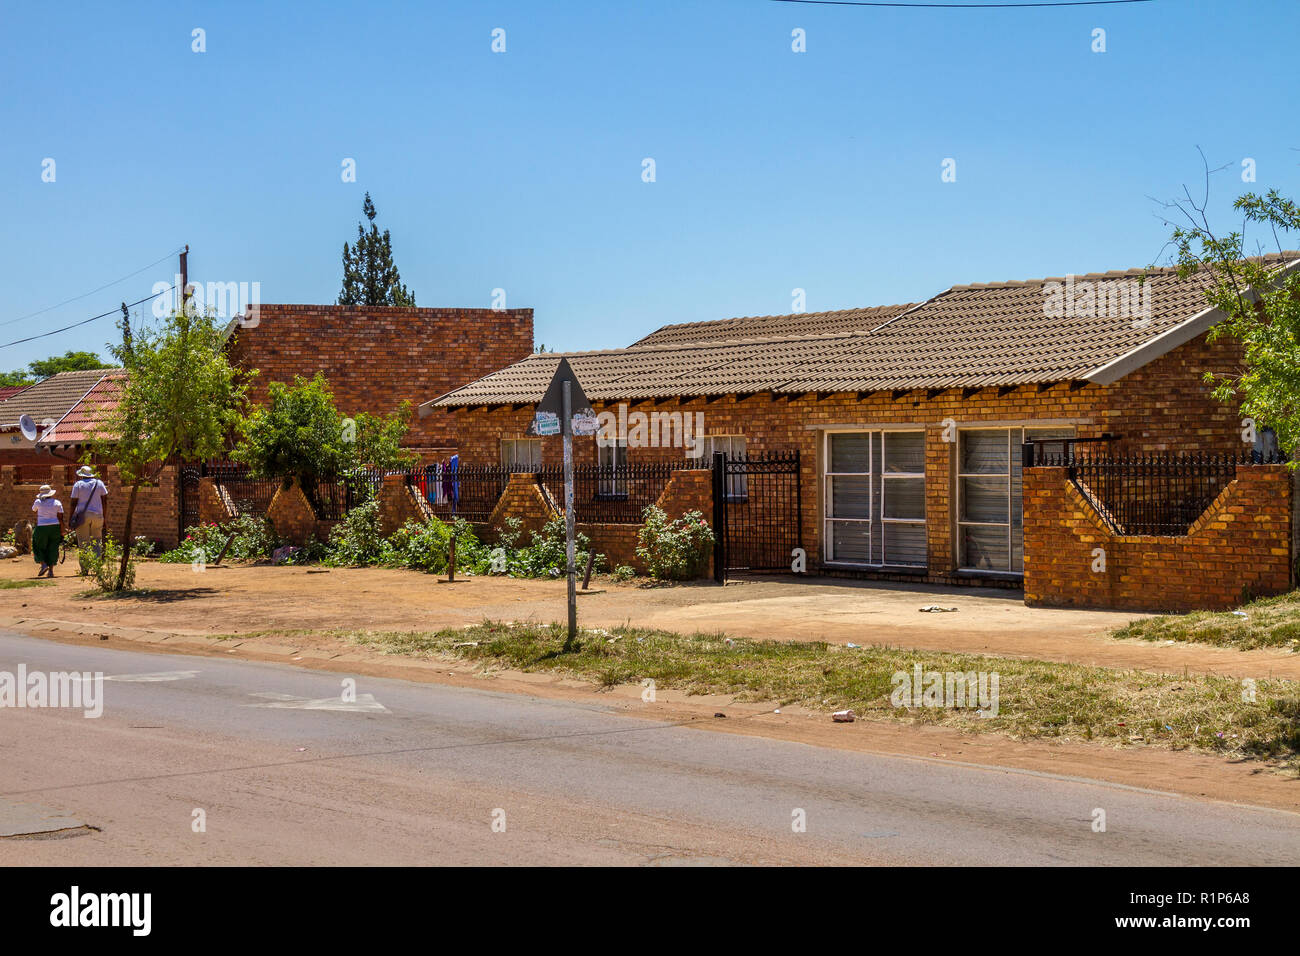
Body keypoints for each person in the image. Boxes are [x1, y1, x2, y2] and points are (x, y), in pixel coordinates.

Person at [70, 464, 108, 566]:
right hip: (98, 515)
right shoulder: (99, 483)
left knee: (83, 542)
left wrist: (71, 518)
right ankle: (97, 566)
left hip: (82, 516)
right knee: (97, 541)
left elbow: (73, 502)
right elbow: (105, 501)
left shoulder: (78, 485)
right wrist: (104, 518)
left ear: (81, 475)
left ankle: (85, 567)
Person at [31, 484, 65, 578]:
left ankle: (43, 564)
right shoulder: (57, 502)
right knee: (53, 548)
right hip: (55, 527)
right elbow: (61, 517)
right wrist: (63, 530)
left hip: (42, 527)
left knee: (37, 545)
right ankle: (51, 571)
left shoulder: (38, 501)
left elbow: (34, 510)